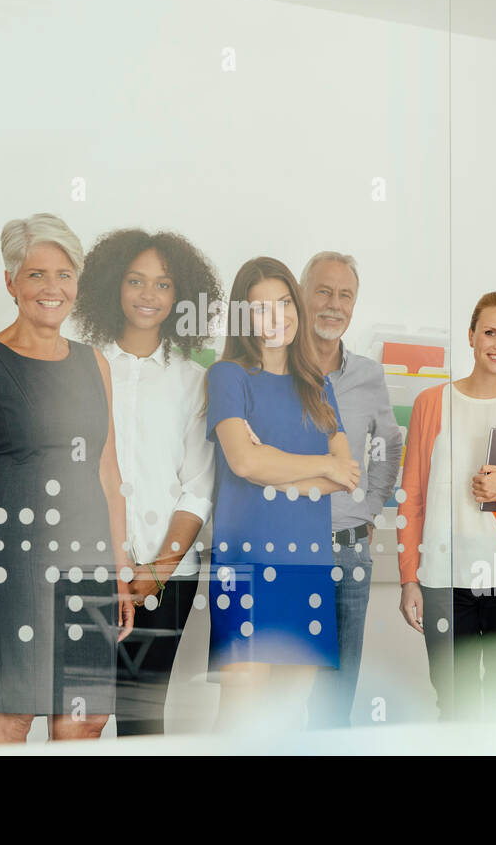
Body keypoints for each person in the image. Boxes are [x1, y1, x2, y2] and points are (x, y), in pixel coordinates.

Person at [0, 213, 135, 744]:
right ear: (10, 282)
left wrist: (120, 567)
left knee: (84, 718)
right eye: (36, 275)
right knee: (10, 714)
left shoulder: (95, 363)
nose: (52, 288)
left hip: (87, 557)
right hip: (9, 558)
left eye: (64, 274)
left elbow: (107, 470)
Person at [73, 228, 221, 736]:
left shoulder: (193, 380)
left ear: (180, 296)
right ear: (114, 285)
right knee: (81, 717)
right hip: (89, 569)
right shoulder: (78, 367)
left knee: (142, 717)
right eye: (136, 280)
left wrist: (157, 570)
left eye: (162, 284)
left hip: (167, 576)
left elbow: (198, 485)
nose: (148, 295)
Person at [204, 257, 361, 733]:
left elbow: (347, 475)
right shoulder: (227, 376)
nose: (278, 316)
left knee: (289, 714)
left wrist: (275, 466)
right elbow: (244, 462)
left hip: (306, 563)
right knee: (240, 715)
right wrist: (317, 466)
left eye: (284, 302)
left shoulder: (318, 384)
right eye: (260, 308)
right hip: (244, 563)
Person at [397, 292, 496, 720]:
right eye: (490, 332)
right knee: (455, 706)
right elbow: (411, 497)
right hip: (443, 580)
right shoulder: (430, 403)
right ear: (471, 336)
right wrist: (408, 579)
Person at [299, 251, 402, 729]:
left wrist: (369, 508)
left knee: (336, 694)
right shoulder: (274, 369)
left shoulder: (368, 375)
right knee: (274, 687)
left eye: (345, 295)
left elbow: (386, 445)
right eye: (323, 290)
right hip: (285, 550)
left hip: (348, 553)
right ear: (302, 295)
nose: (333, 304)